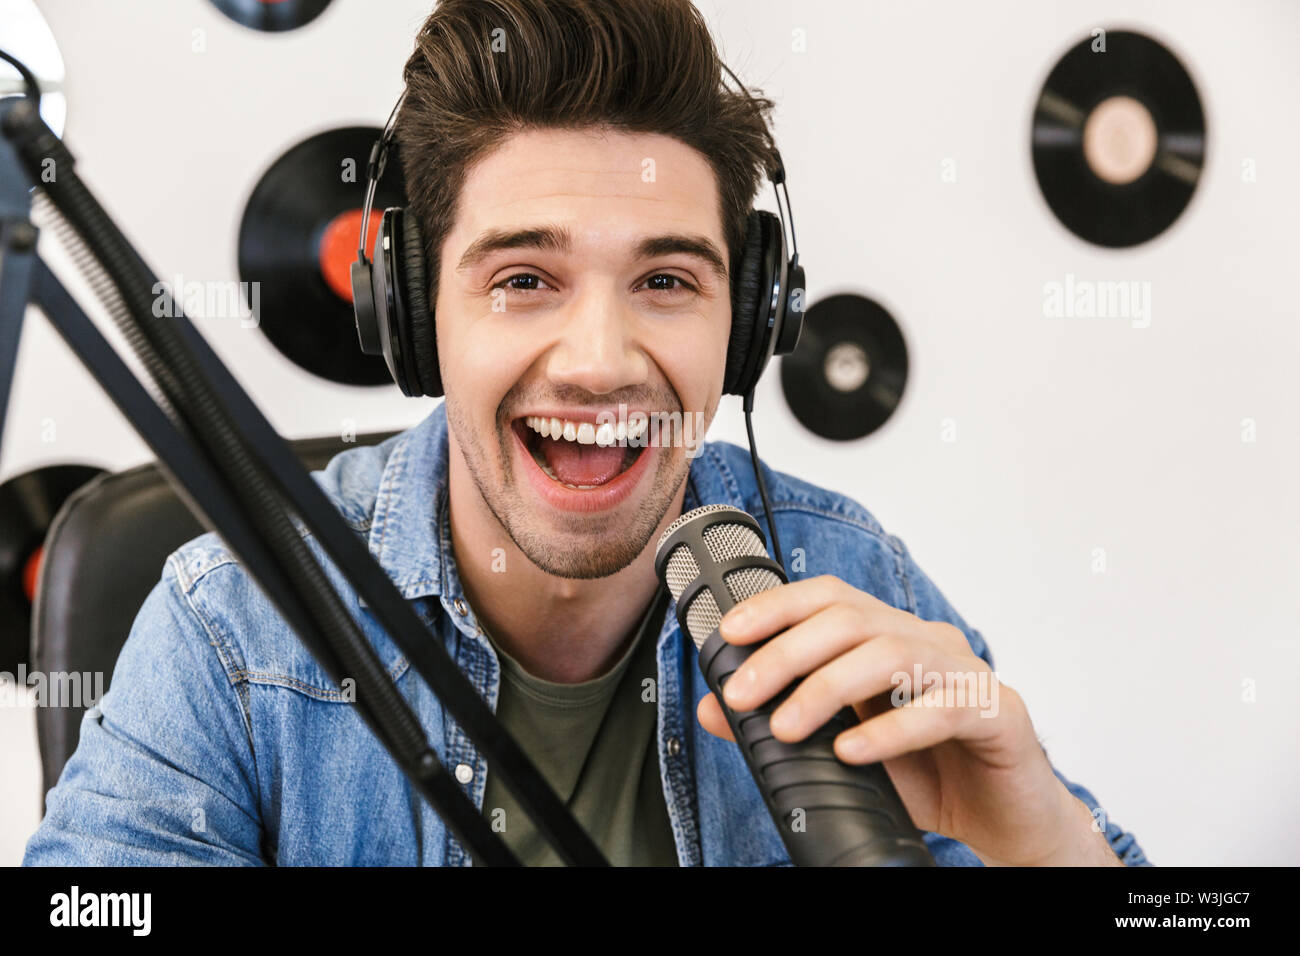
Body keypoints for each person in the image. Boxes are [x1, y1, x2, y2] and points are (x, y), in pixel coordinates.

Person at [25, 0, 1149, 866]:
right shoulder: (236, 624)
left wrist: (1042, 836)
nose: (602, 360)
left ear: (749, 317)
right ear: (413, 315)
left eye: (665, 277)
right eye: (524, 276)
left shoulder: (849, 577)